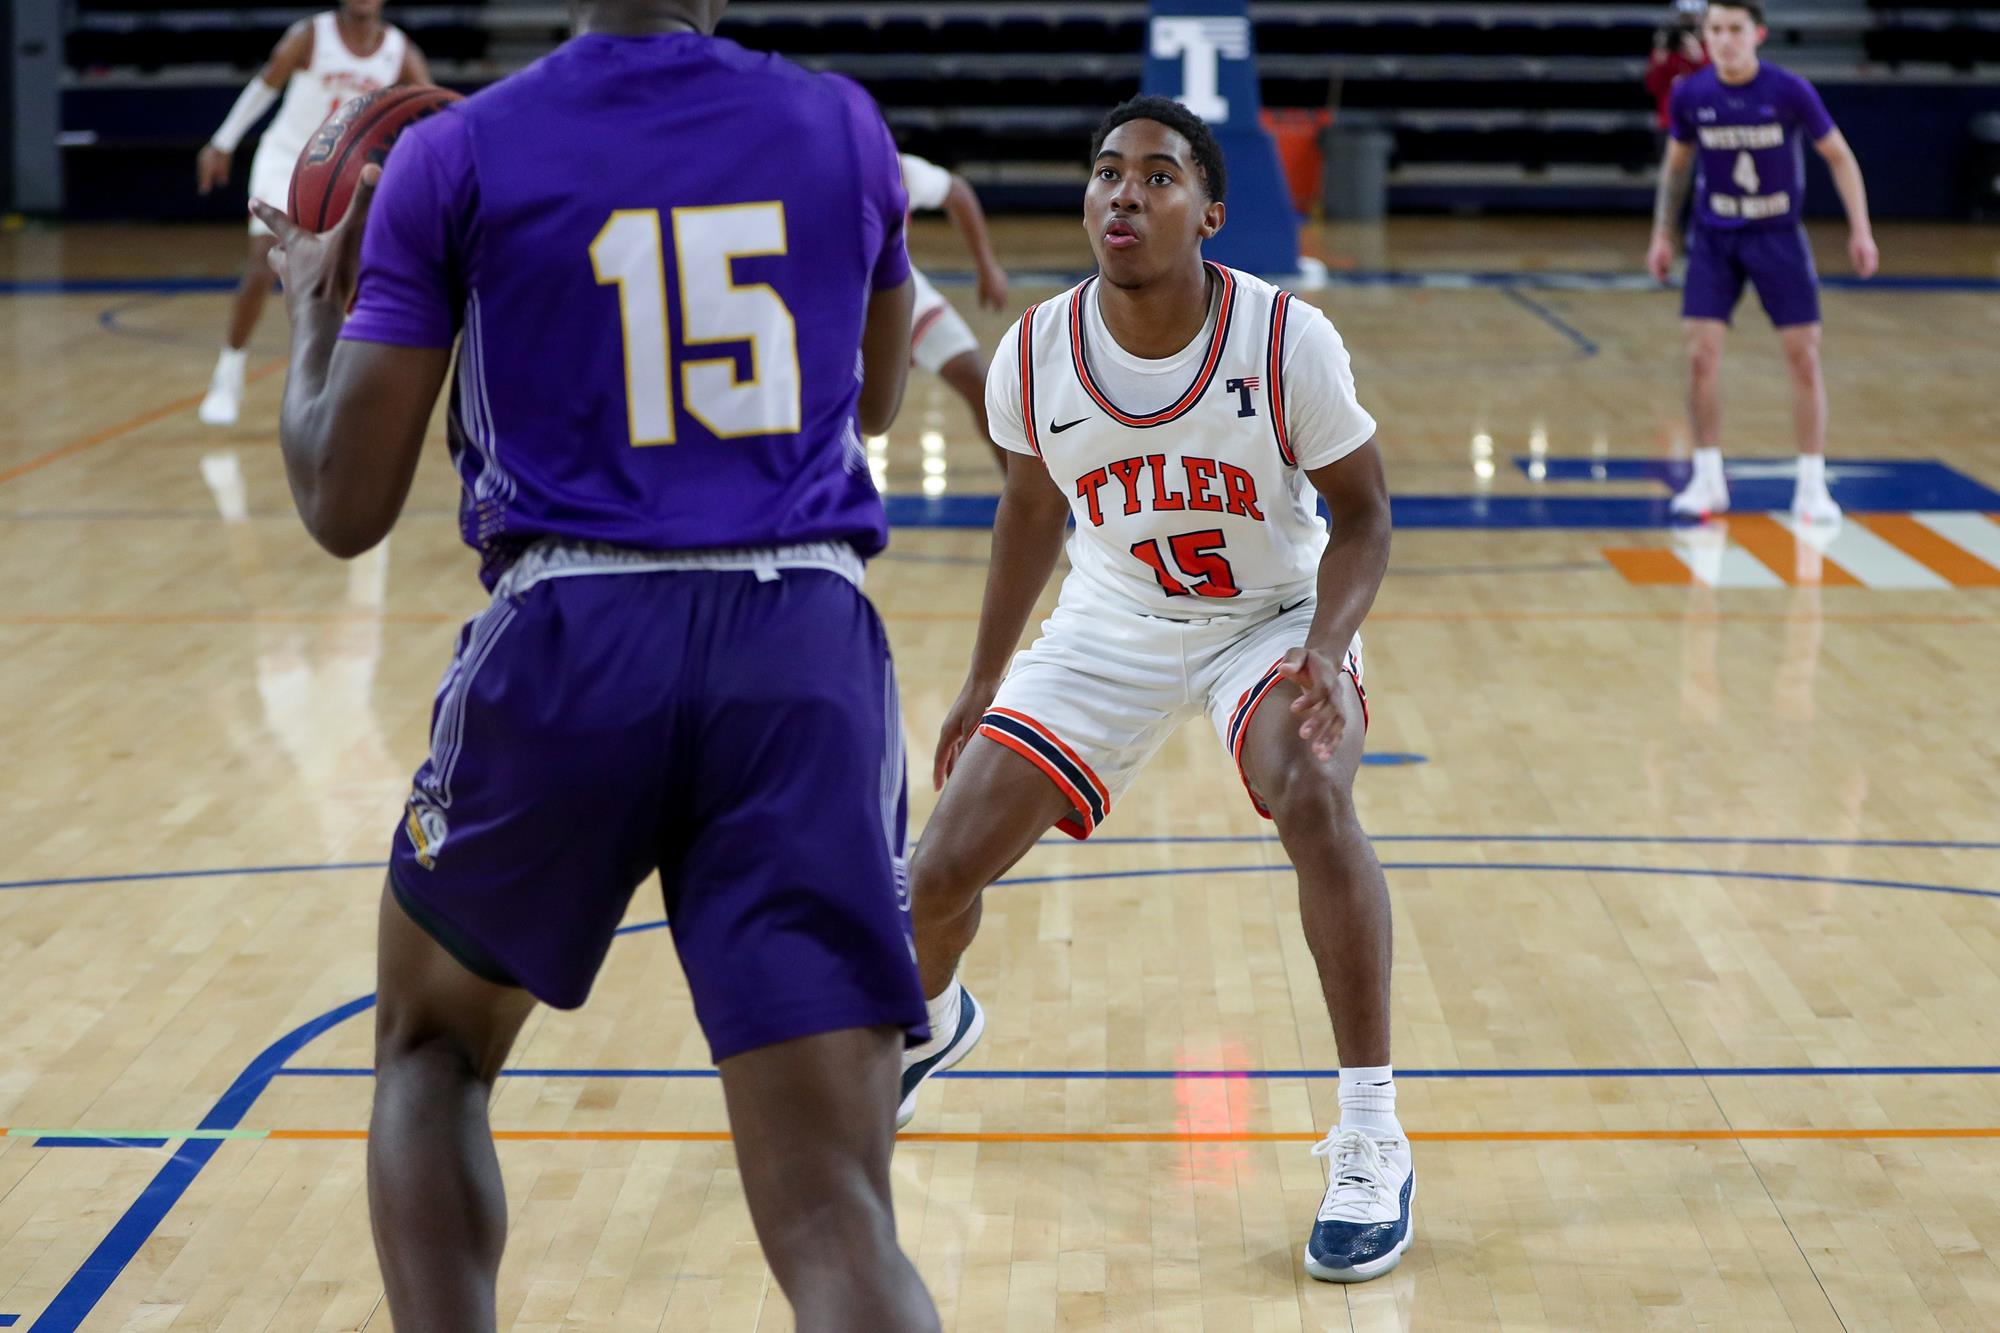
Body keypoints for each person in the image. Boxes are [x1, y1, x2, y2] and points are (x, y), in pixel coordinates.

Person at [249, 2, 941, 1328]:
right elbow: (873, 397)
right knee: (834, 1204)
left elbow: (344, 504)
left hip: (575, 636)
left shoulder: (458, 152)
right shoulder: (841, 126)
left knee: (432, 1049)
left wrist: (312, 318)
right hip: (799, 645)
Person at [896, 95, 1412, 1285]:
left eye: (1157, 175)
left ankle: (1371, 1136)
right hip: (1111, 619)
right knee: (933, 876)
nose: (1123, 192)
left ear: (1208, 213)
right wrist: (983, 675)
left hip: (1267, 618)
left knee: (1314, 795)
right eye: (1105, 172)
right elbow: (1031, 508)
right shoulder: (1035, 348)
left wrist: (1326, 645)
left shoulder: (1283, 339)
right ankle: (927, 1028)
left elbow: (1366, 514)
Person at [1646, 0, 1878, 523]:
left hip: (1777, 236)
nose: (1724, 39)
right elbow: (1676, 167)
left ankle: (1812, 485)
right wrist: (1663, 233)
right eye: (1715, 29)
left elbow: (1839, 157)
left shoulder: (1789, 90)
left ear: (1759, 34)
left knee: (1803, 357)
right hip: (1714, 238)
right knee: (1700, 356)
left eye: (1735, 29)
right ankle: (1707, 478)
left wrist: (1860, 229)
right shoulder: (1691, 94)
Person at [195, 0, 429, 425]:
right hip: (285, 159)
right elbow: (265, 85)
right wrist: (222, 142)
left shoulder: (400, 52)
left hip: (342, 173)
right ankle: (228, 372)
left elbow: (432, 112)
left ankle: (336, 389)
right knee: (263, 263)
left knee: (347, 282)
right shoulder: (310, 35)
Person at [899, 152, 1009, 465]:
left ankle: (1020, 488)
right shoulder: (821, 179)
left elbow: (958, 192)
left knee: (979, 384)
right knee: (847, 412)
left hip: (901, 291)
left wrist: (987, 267)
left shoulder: (899, 169)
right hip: (843, 305)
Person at [1645, 0, 1709, 135]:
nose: (1689, 23)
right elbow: (1653, 88)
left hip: (1703, 119)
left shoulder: (1710, 46)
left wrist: (1699, 59)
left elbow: (1718, 83)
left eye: (1694, 17)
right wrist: (1660, 61)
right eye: (1685, 17)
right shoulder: (1666, 45)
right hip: (1669, 121)